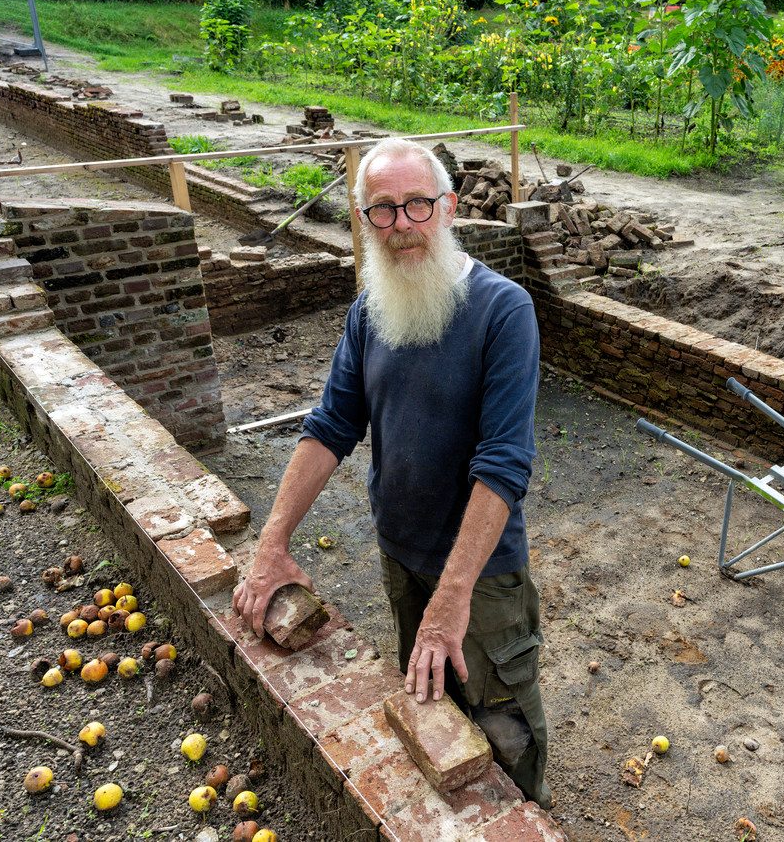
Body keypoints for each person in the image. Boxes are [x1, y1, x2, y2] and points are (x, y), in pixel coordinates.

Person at [232, 137, 549, 808]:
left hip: (481, 575)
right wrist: (271, 545)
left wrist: (453, 597)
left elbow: (504, 465)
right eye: (383, 209)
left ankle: (523, 814)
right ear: (364, 219)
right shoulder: (370, 311)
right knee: (432, 708)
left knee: (505, 724)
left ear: (449, 207)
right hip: (399, 556)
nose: (402, 224)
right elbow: (329, 427)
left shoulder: (503, 310)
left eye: (417, 205)